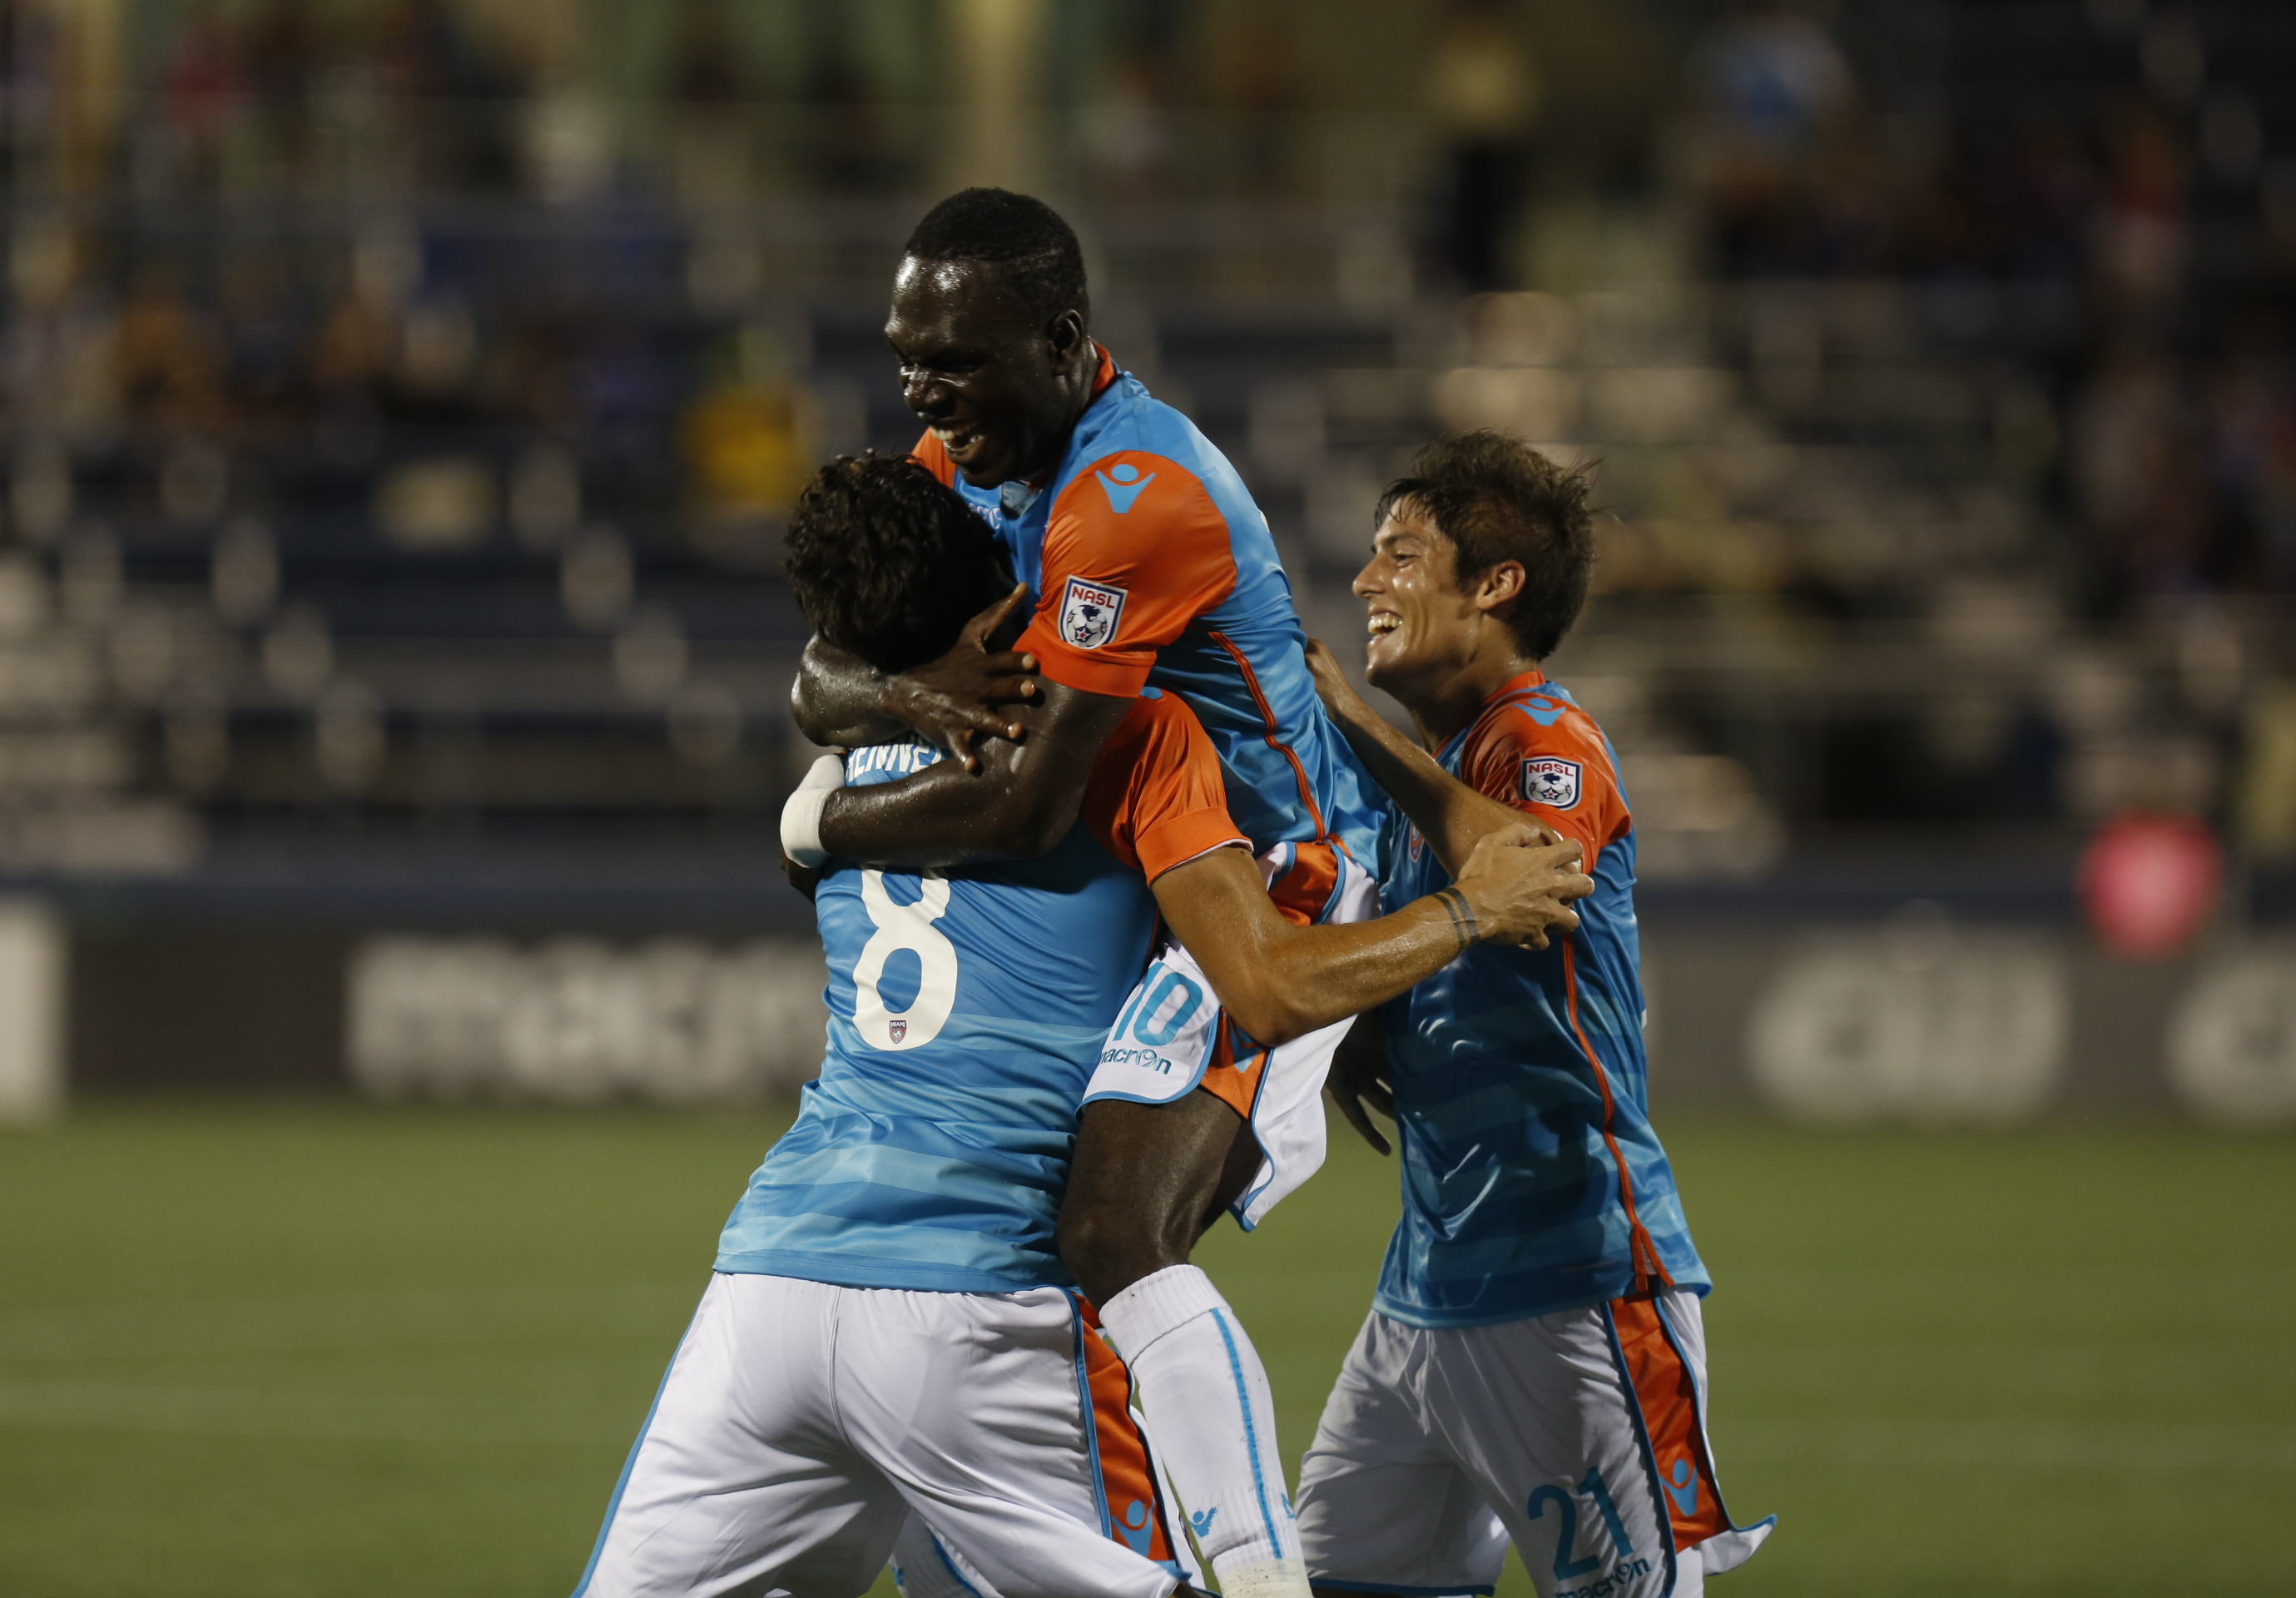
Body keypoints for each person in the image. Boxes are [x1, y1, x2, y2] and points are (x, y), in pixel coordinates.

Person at [573, 454, 1591, 1598]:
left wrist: (814, 800)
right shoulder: (1132, 738)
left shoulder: (845, 779)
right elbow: (1261, 982)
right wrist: (1462, 909)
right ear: (1009, 600)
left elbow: (812, 806)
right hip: (977, 1296)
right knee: (1128, 1249)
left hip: (766, 1292)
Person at [781, 188, 1387, 1598]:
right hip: (1137, 865)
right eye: (908, 357)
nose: (925, 394)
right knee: (1011, 1254)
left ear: (1063, 341)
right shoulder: (959, 455)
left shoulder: (1135, 495)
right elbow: (818, 672)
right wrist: (905, 690)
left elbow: (1027, 799)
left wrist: (822, 821)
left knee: (1111, 1228)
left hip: (1267, 871)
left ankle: (1258, 1579)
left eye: (960, 359)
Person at [1296, 433, 1774, 1598]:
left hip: (1574, 1286)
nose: (1366, 583)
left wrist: (1352, 724)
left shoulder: (1540, 738)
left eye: (1402, 555)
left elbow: (1529, 871)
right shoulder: (1441, 769)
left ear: (1495, 587)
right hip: (1426, 1293)